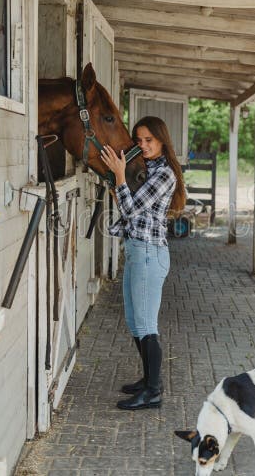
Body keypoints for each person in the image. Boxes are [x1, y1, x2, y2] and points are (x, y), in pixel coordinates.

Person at [100, 116, 186, 410]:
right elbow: (125, 205)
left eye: (149, 140)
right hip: (137, 250)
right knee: (135, 322)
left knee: (147, 324)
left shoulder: (164, 175)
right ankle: (150, 379)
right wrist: (117, 178)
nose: (143, 145)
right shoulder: (146, 169)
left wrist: (120, 176)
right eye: (139, 140)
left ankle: (153, 391)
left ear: (162, 140)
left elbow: (131, 208)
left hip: (150, 253)